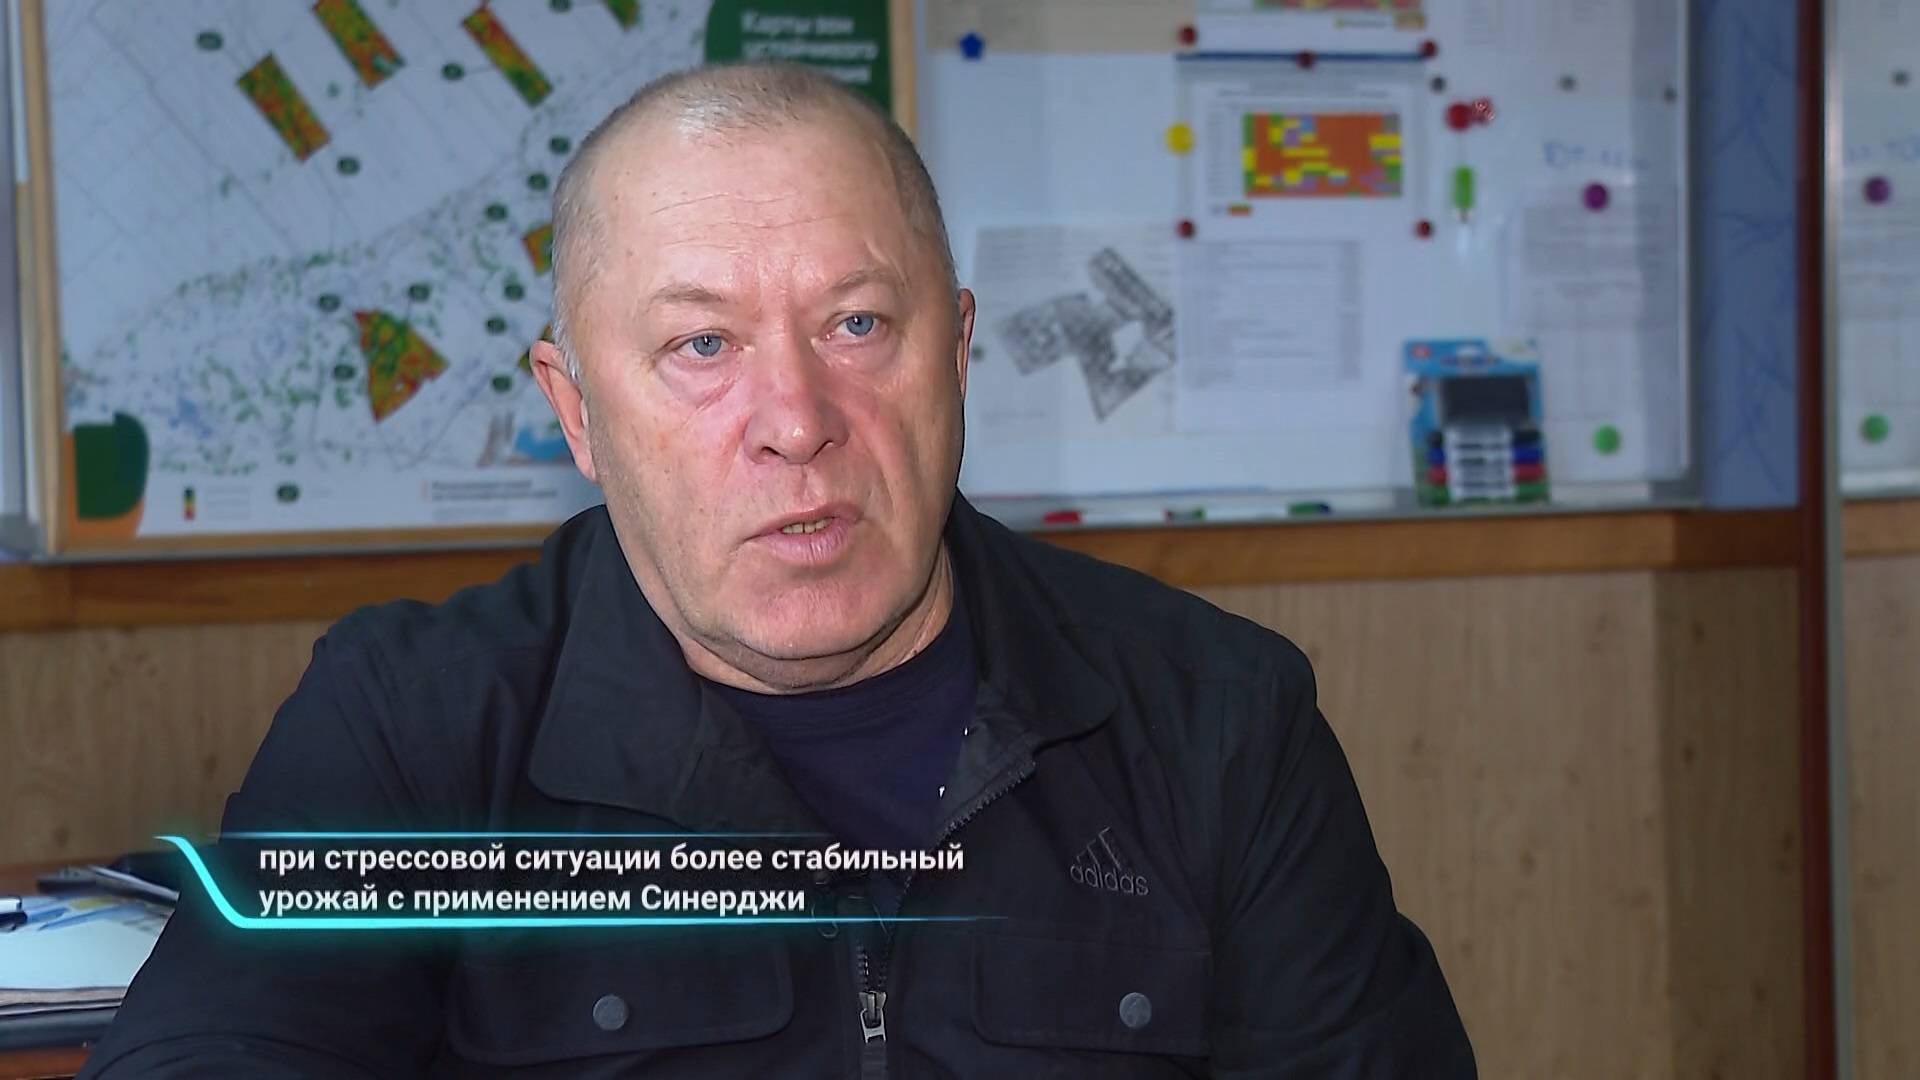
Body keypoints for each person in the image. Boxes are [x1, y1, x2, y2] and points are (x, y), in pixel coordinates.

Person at [82, 62, 1473, 1077]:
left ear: (958, 355)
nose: (798, 420)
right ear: (577, 413)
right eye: (702, 347)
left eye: (858, 324)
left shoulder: (1216, 715)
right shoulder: (414, 725)